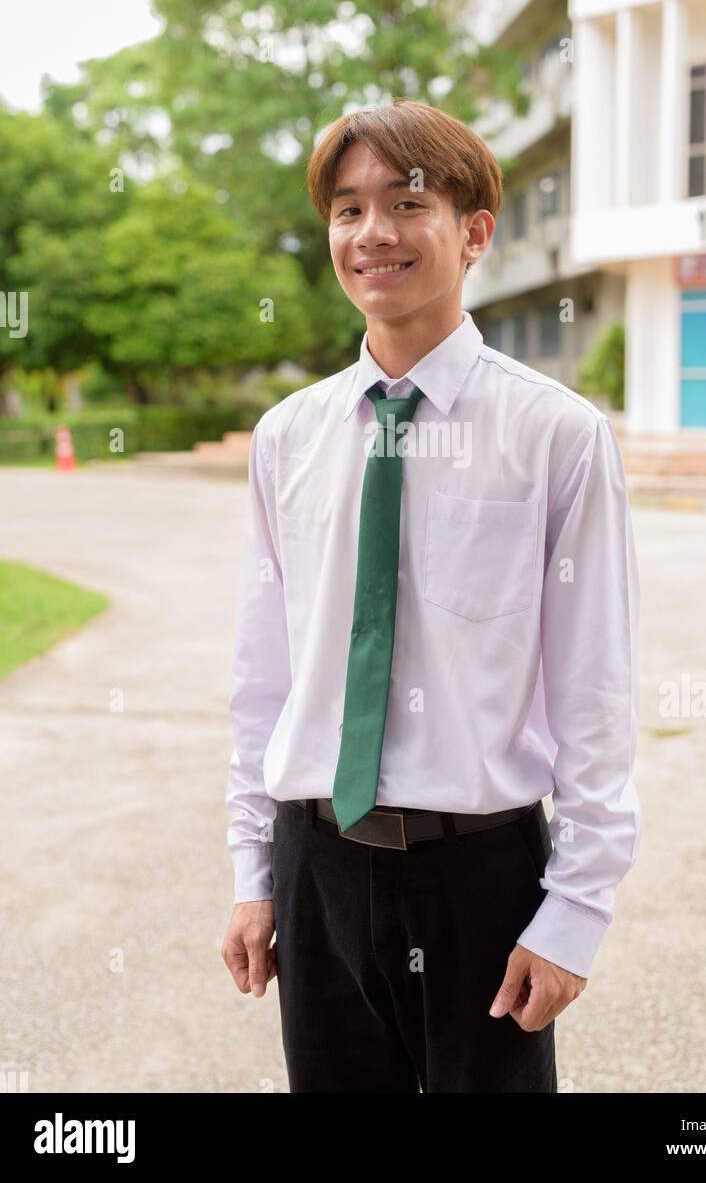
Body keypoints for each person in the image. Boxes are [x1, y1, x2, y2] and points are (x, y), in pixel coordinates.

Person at [220, 98, 642, 1093]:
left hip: (481, 877)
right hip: (316, 862)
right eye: (346, 209)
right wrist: (252, 872)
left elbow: (596, 688)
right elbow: (262, 675)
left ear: (474, 231)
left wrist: (576, 910)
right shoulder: (289, 436)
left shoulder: (556, 435)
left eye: (406, 203)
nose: (372, 233)